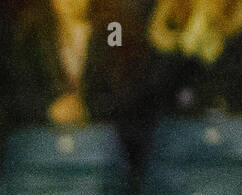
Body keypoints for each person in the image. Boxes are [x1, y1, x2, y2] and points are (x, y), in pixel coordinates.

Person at [10, 0, 146, 127]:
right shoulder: (33, 32)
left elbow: (125, 86)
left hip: (101, 129)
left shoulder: (113, 28)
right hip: (45, 132)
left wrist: (88, 109)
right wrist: (49, 110)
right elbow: (21, 88)